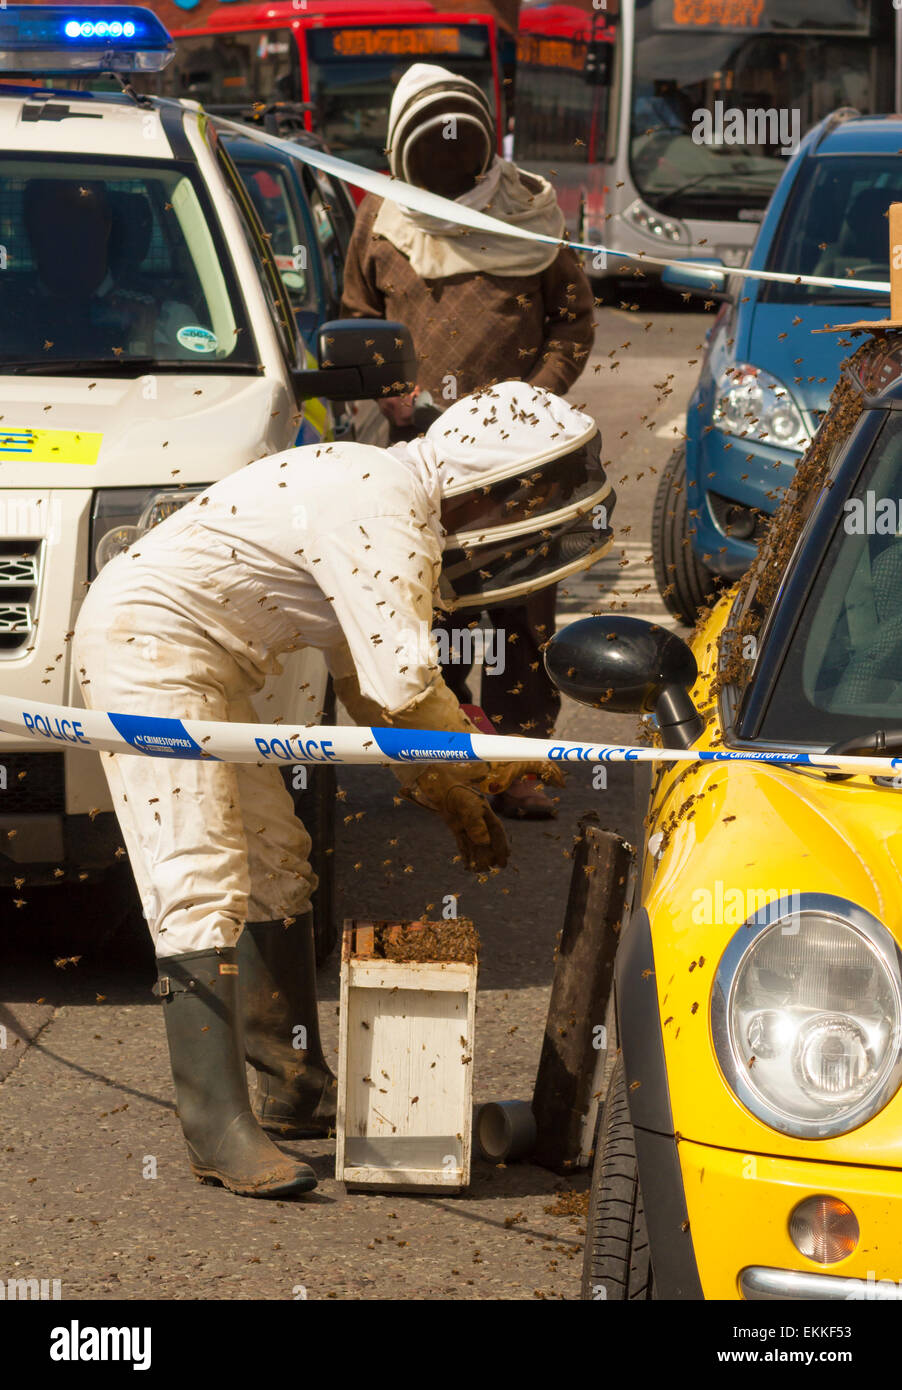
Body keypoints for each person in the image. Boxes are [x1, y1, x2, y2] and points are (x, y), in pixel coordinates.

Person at [72, 381, 606, 1199]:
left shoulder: (389, 500)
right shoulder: (382, 509)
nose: (518, 521)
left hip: (204, 662)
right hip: (148, 653)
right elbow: (403, 692)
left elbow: (370, 687)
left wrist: (445, 792)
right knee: (199, 873)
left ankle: (293, 1083)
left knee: (278, 859)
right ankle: (216, 1128)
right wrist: (490, 769)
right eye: (526, 496)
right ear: (489, 490)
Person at [340, 63, 596, 819]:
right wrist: (387, 388)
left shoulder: (529, 213)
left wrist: (529, 403)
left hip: (520, 464)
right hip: (417, 463)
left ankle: (519, 772)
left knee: (523, 622)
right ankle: (448, 769)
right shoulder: (380, 218)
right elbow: (357, 317)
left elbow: (574, 324)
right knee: (427, 620)